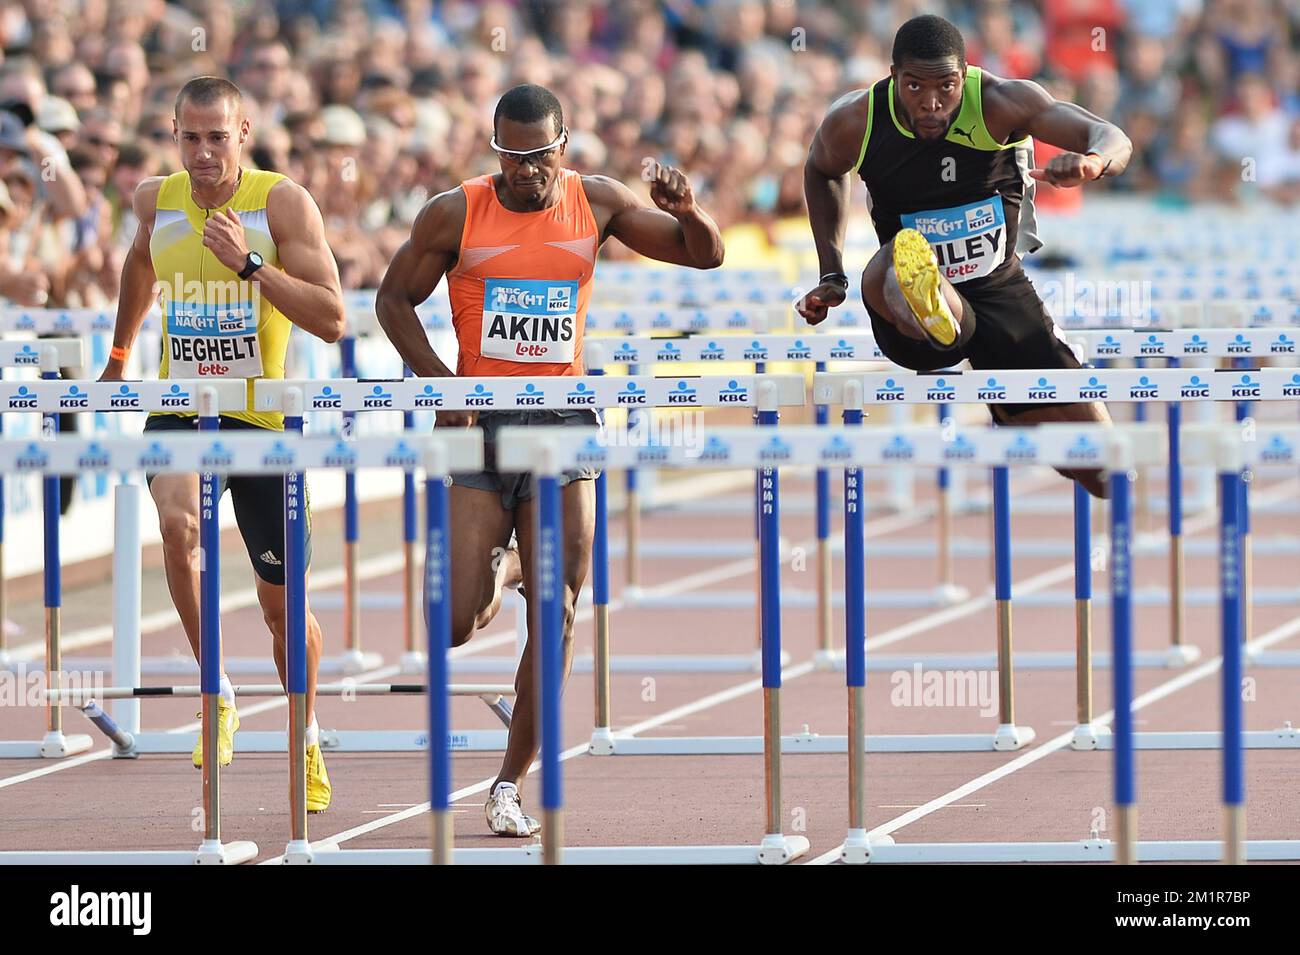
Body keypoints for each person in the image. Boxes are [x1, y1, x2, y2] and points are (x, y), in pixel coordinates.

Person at [376, 83, 724, 836]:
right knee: (454, 622)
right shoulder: (455, 211)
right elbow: (392, 300)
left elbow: (706, 258)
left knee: (558, 611)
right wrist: (443, 381)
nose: (527, 170)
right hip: (480, 423)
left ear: (563, 147)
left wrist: (688, 211)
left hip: (565, 420)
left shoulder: (595, 202)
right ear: (495, 147)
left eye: (539, 156)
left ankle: (508, 783)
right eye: (513, 155)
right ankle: (504, 562)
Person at [100, 77, 345, 811]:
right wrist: (120, 350)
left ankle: (304, 734)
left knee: (282, 611)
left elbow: (333, 318)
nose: (203, 152)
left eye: (218, 137)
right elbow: (142, 260)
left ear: (244, 132)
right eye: (190, 137)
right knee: (177, 523)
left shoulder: (281, 203)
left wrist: (252, 267)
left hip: (262, 420)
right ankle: (219, 692)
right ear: (174, 134)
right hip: (183, 407)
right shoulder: (156, 199)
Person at [799, 14, 1133, 497]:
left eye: (947, 87)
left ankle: (1008, 405)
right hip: (902, 304)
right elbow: (821, 168)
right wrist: (832, 273)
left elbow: (1112, 137)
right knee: (897, 261)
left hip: (1000, 290)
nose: (931, 103)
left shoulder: (1002, 101)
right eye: (914, 86)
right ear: (893, 77)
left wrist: (1092, 162)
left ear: (965, 75)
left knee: (1109, 474)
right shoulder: (858, 118)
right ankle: (931, 303)